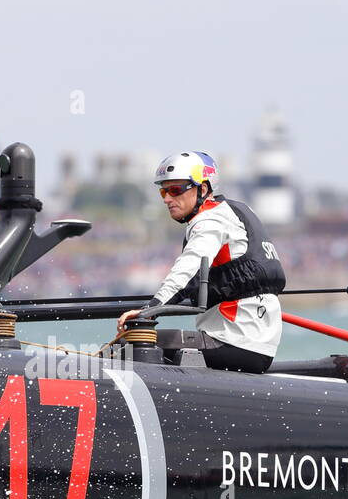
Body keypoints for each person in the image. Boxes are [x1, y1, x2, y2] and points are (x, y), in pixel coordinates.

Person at [118, 151, 285, 373]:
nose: (168, 198)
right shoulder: (235, 211)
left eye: (176, 190)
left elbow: (186, 271)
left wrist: (149, 310)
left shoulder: (209, 220)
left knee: (127, 346)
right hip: (256, 344)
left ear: (203, 189)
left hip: (235, 342)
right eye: (163, 191)